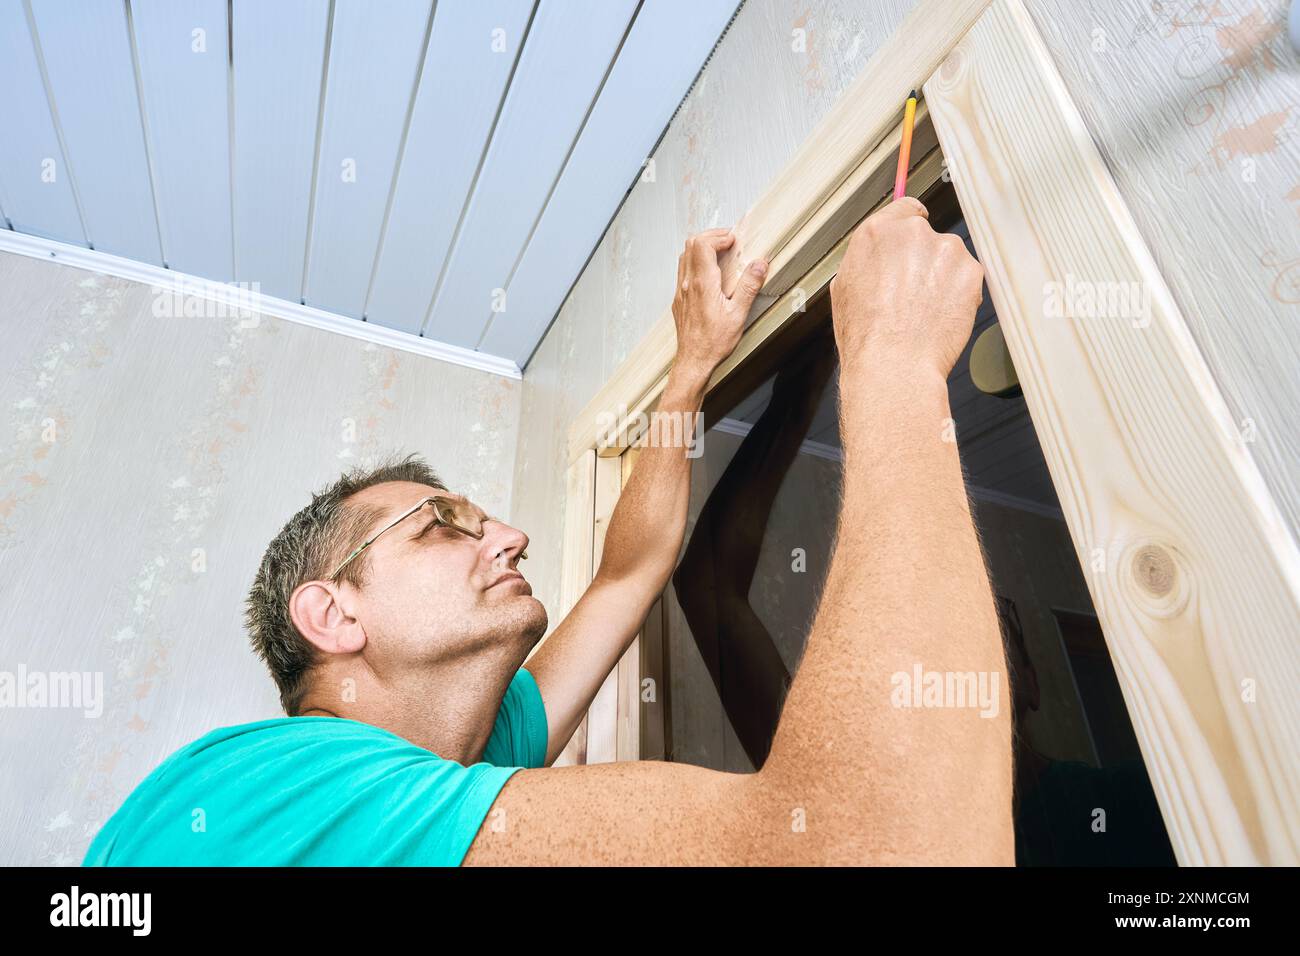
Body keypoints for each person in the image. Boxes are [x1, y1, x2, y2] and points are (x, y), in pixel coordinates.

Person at [84, 196, 1011, 866]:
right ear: (332, 613)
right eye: (441, 525)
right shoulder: (268, 789)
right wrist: (893, 357)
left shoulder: (471, 757)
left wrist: (689, 371)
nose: (513, 536)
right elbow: (874, 848)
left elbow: (629, 574)